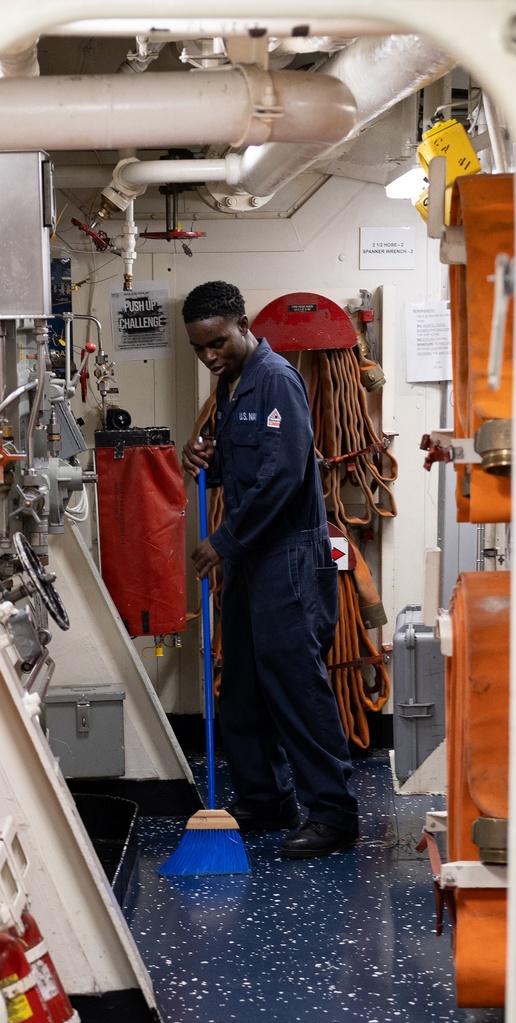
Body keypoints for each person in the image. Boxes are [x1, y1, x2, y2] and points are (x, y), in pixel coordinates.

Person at [180, 281, 359, 858]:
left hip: (286, 556)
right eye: (200, 348)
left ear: (243, 326)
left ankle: (332, 814)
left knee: (296, 685)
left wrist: (223, 540)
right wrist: (201, 455)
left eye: (218, 342)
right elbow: (244, 469)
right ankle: (265, 798)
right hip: (253, 558)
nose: (210, 356)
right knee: (244, 688)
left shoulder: (277, 380)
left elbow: (282, 478)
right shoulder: (231, 388)